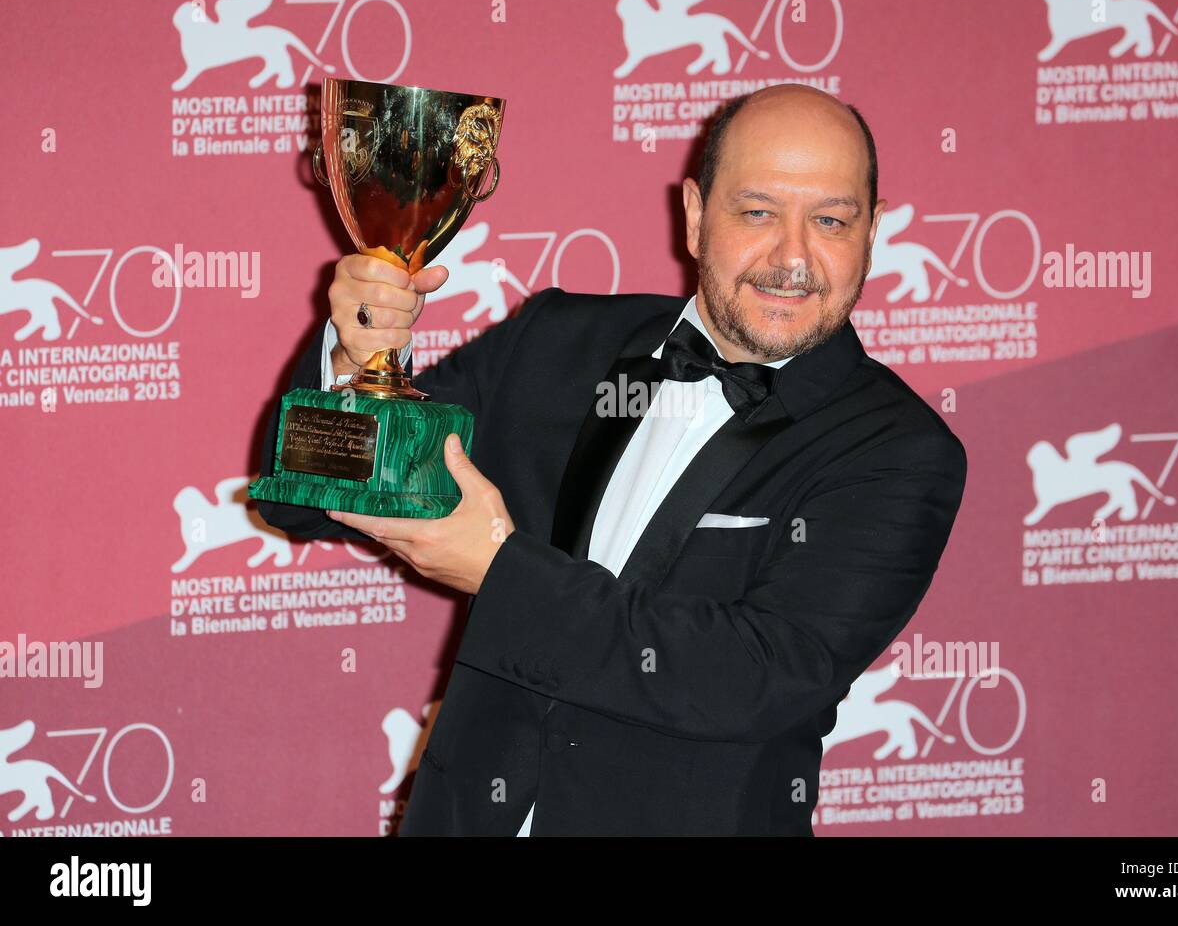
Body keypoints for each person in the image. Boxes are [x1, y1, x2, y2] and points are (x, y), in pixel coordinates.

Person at [256, 84, 966, 835]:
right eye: (757, 212)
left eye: (830, 220)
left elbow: (754, 677)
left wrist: (499, 568)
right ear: (694, 216)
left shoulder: (897, 450)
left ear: (873, 230)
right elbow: (305, 502)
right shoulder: (555, 344)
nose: (793, 256)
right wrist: (358, 355)